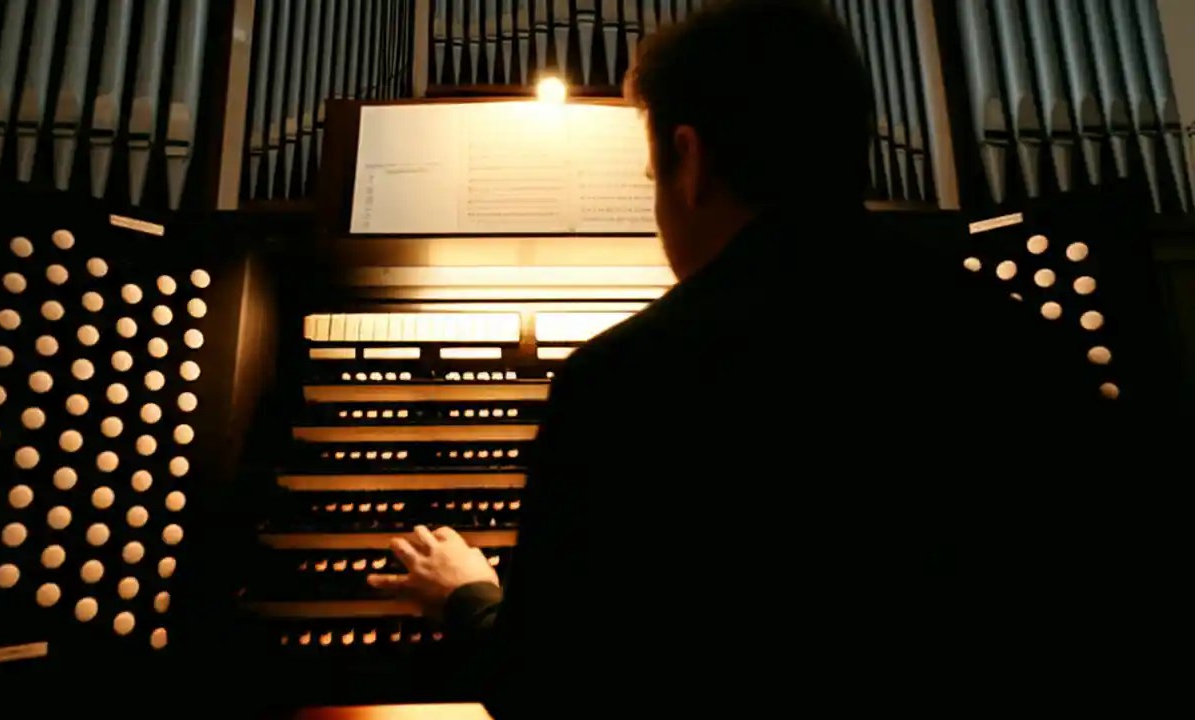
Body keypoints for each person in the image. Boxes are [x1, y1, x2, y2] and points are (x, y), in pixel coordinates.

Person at [368, 1, 1166, 715]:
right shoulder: (1021, 343)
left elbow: (547, 687)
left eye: (653, 174)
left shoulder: (623, 380)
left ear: (690, 160)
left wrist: (469, 598)